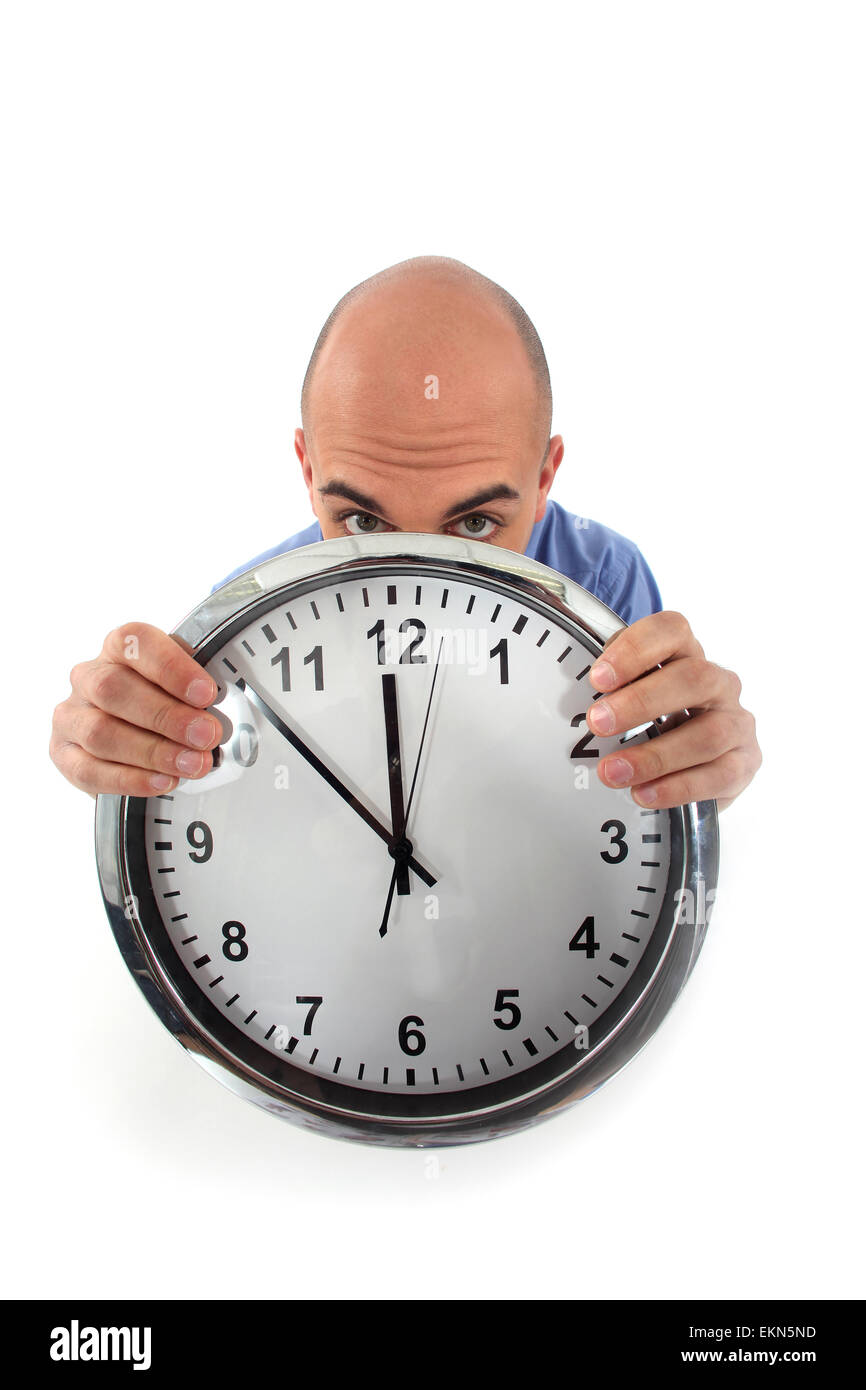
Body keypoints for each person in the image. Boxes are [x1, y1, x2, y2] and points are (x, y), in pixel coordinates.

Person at [50, 256, 760, 811]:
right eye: (362, 522)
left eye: (477, 524)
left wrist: (697, 774)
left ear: (544, 477)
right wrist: (128, 746)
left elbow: (637, 801)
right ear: (308, 467)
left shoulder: (603, 581)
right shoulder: (250, 628)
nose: (414, 589)